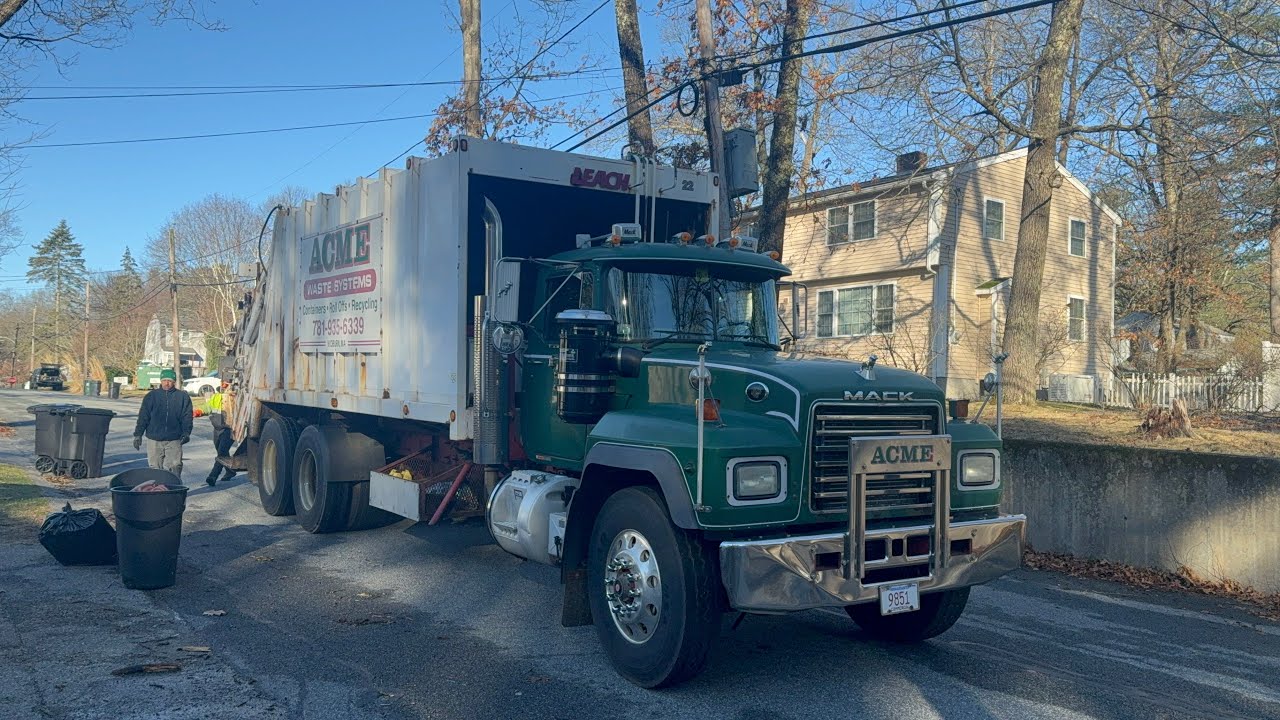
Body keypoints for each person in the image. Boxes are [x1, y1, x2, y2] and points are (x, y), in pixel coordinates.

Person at [133, 369, 193, 477]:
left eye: (169, 381)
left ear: (174, 382)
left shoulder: (182, 397)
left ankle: (174, 490)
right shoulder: (151, 396)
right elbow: (143, 417)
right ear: (160, 381)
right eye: (164, 380)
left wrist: (187, 432)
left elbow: (187, 417)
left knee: (175, 466)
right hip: (154, 438)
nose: (167, 383)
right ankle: (157, 491)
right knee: (155, 469)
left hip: (174, 438)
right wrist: (138, 434)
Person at [202, 381, 237, 487]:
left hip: (229, 429)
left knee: (221, 453)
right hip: (217, 429)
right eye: (224, 385)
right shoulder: (215, 397)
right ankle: (230, 471)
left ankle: (213, 476)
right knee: (221, 451)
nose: (226, 388)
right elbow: (206, 408)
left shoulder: (235, 398)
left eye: (227, 385)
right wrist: (197, 412)